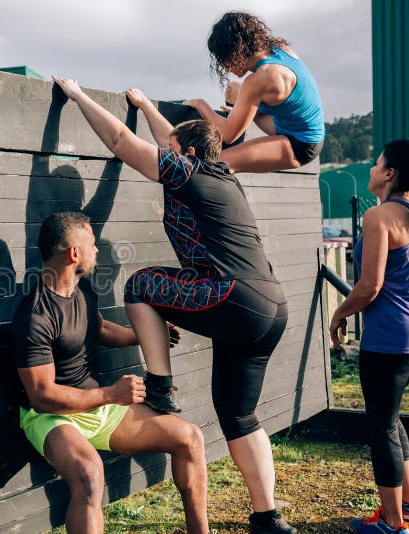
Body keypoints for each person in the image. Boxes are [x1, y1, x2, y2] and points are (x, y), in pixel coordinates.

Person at [53, 76, 295, 534]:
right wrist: (146, 105)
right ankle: (268, 518)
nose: (165, 151)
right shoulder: (221, 174)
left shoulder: (187, 171)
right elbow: (174, 138)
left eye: (172, 149)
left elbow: (121, 141)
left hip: (231, 295)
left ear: (186, 154)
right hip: (271, 307)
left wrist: (79, 94)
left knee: (141, 285)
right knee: (239, 415)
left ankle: (161, 385)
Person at [13, 212, 209, 534]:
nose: (96, 250)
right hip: (51, 417)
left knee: (189, 438)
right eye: (92, 244)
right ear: (74, 253)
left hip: (97, 406)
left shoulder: (82, 289)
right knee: (89, 475)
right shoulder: (35, 315)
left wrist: (147, 335)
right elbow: (42, 395)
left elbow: (100, 328)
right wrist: (111, 394)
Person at [329, 140, 409, 534]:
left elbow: (370, 285)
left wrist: (339, 313)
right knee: (390, 417)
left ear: (389, 173)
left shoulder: (379, 216)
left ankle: (393, 524)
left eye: (376, 163)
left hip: (391, 338)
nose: (370, 169)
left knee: (381, 426)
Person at [183, 12, 325, 174]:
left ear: (235, 51)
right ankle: (238, 122)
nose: (225, 69)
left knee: (213, 165)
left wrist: (200, 104)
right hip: (288, 124)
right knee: (234, 89)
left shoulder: (261, 79)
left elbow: (228, 134)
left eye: (224, 60)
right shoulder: (278, 49)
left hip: (301, 144)